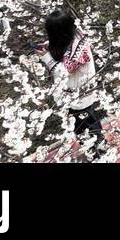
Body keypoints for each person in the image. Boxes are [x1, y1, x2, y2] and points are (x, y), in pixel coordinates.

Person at [39, 9, 106, 151]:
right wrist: (48, 46)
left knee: (89, 127)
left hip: (82, 97)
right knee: (79, 128)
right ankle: (91, 151)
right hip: (72, 97)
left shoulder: (79, 47)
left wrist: (46, 57)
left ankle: (100, 152)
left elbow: (64, 70)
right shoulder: (69, 38)